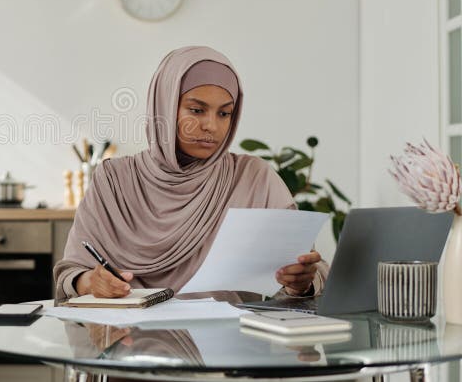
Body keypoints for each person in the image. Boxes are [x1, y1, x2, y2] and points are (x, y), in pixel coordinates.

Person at [53, 46, 328, 301]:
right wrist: (91, 282)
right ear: (164, 107)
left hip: (230, 347)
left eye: (224, 114)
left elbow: (309, 274)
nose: (211, 126)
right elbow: (71, 274)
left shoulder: (254, 179)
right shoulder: (113, 180)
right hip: (128, 344)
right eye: (197, 110)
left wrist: (299, 282)